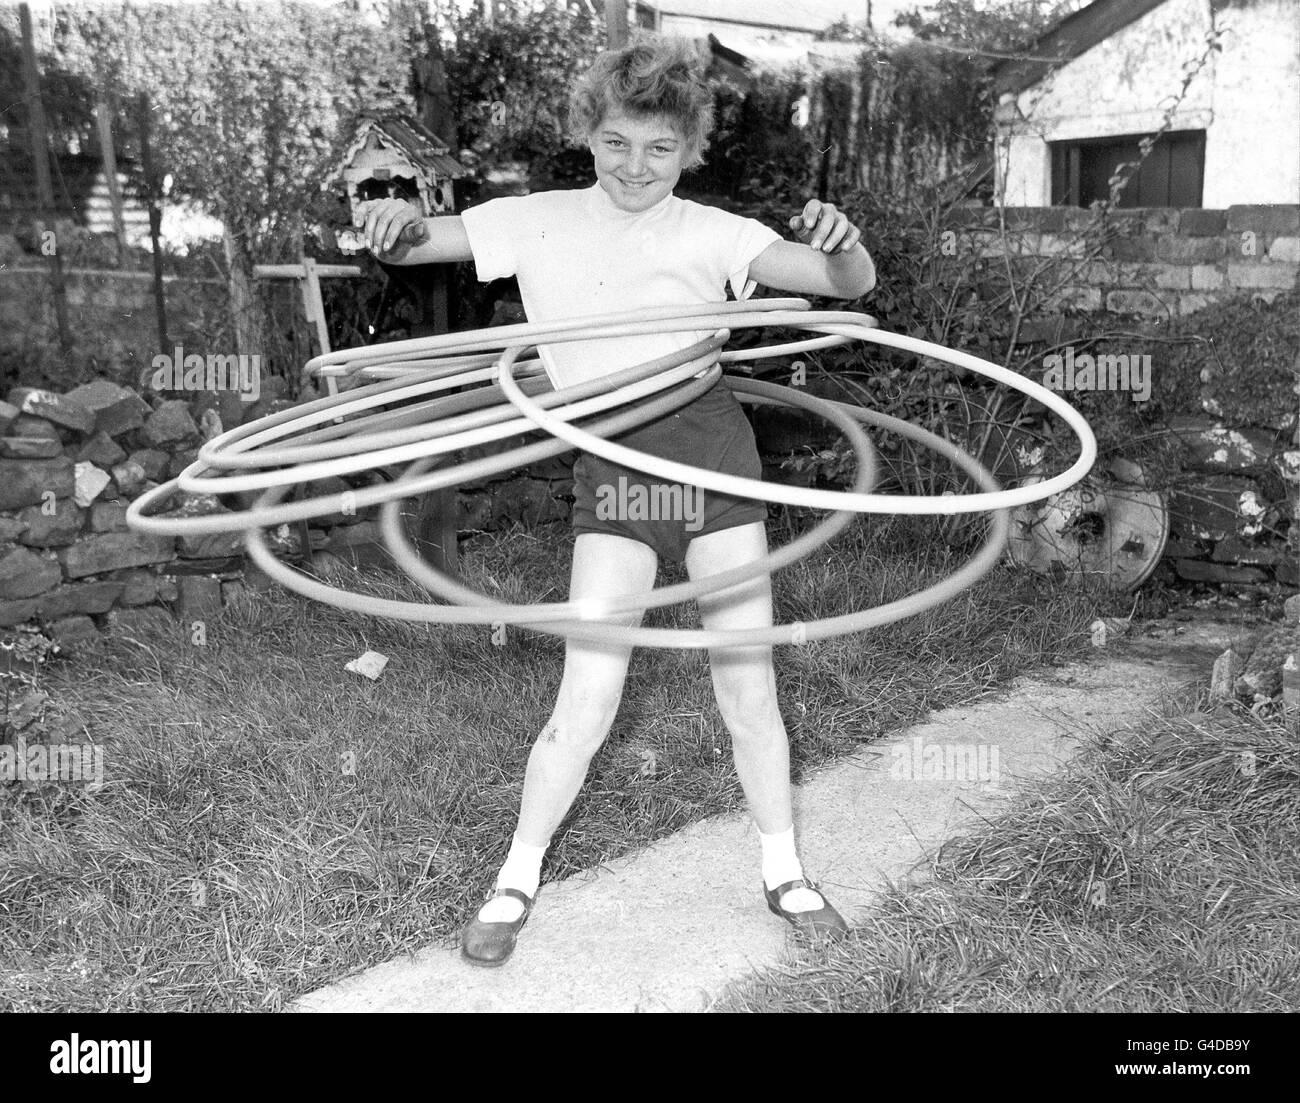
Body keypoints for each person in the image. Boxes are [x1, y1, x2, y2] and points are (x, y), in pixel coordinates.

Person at [358, 36, 876, 967]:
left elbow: (846, 286)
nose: (636, 167)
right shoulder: (537, 218)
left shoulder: (714, 233)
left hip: (715, 465)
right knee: (587, 692)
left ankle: (785, 869)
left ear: (690, 148)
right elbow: (420, 243)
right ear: (587, 135)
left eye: (659, 149)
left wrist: (846, 251)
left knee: (745, 683)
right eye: (616, 142)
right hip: (616, 476)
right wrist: (390, 221)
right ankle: (515, 876)